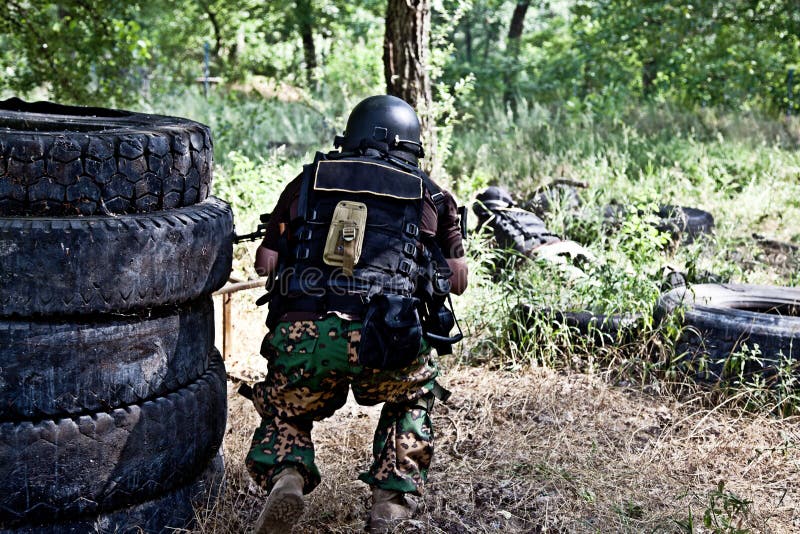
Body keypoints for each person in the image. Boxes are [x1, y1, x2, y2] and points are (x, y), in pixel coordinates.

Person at [246, 94, 468, 533]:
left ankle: (287, 475)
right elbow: (457, 278)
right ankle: (391, 501)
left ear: (351, 136)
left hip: (306, 334)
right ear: (411, 143)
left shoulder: (307, 181)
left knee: (287, 407)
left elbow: (264, 262)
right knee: (412, 397)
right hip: (388, 337)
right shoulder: (435, 195)